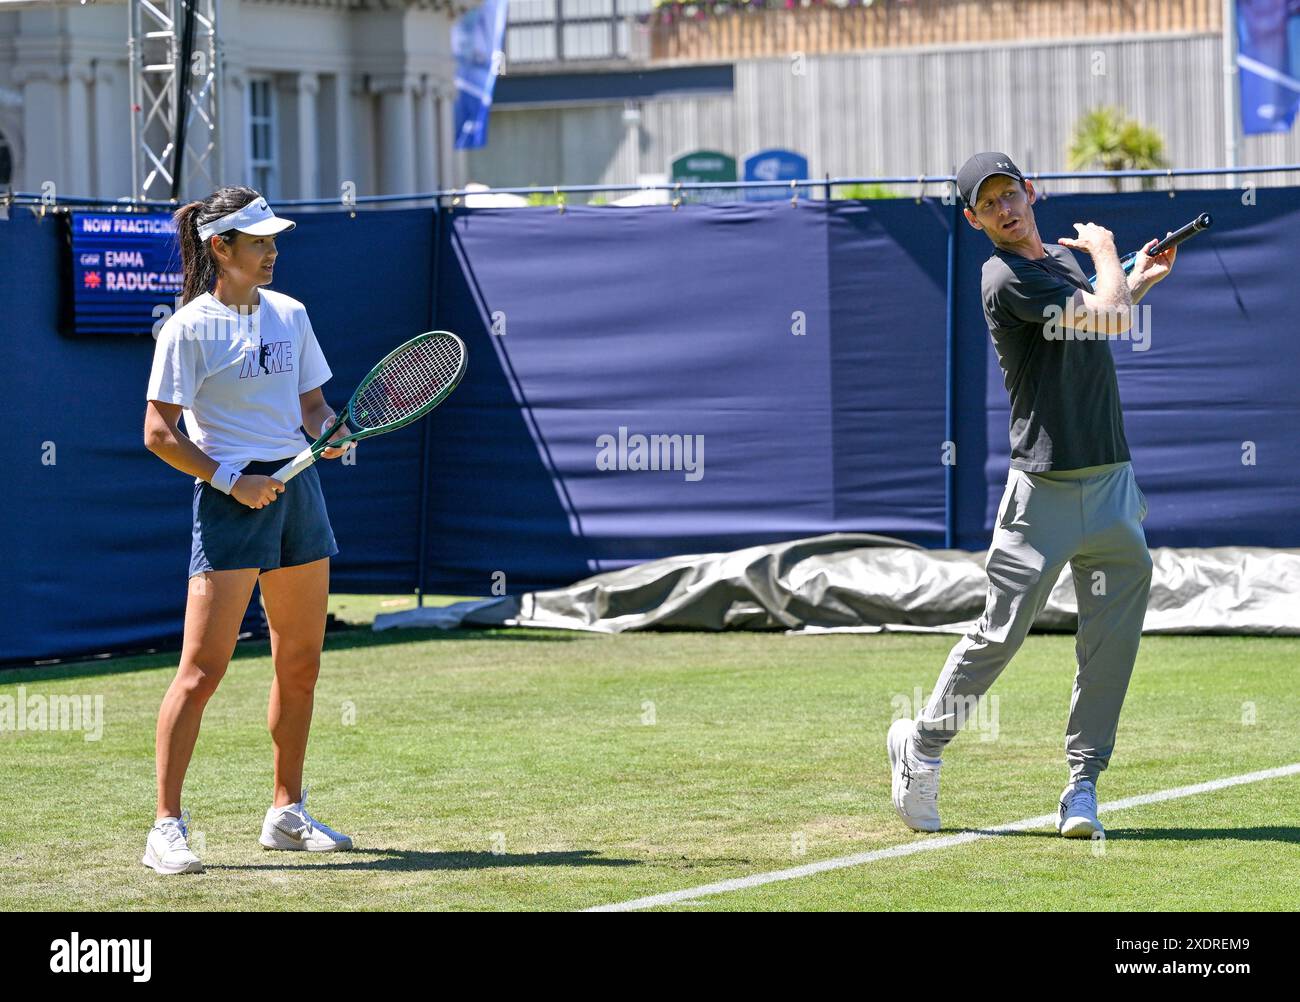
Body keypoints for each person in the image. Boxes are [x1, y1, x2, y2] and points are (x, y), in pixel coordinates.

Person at [887, 153, 1176, 838]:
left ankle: (1082, 786)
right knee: (998, 637)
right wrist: (1109, 255)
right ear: (974, 219)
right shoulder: (1002, 277)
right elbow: (1108, 322)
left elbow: (1101, 317)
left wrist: (1135, 280)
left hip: (1109, 483)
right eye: (989, 205)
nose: (1005, 210)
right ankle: (921, 747)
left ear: (1030, 192)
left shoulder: (1057, 266)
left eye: (1010, 195)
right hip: (1040, 495)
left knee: (1111, 644)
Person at [141, 186, 355, 874]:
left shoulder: (291, 315)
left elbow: (315, 407)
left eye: (272, 240)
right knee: (202, 671)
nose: (271, 251)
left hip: (299, 490)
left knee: (301, 663)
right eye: (257, 241)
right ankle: (165, 827)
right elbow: (158, 433)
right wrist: (234, 481)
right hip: (231, 497)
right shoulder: (187, 329)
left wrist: (331, 433)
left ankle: (286, 812)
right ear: (220, 249)